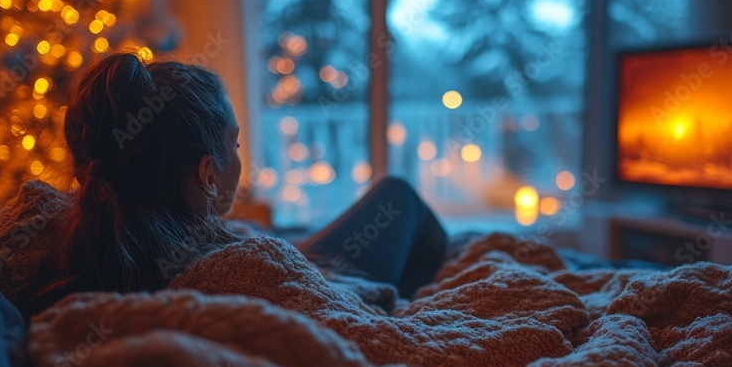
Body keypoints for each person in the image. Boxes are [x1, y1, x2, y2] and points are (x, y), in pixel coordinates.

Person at [24, 51, 446, 315]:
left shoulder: (74, 234)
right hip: (331, 276)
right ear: (208, 175)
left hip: (300, 262)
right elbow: (332, 312)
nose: (241, 156)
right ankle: (412, 295)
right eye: (236, 143)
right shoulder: (239, 271)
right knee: (398, 197)